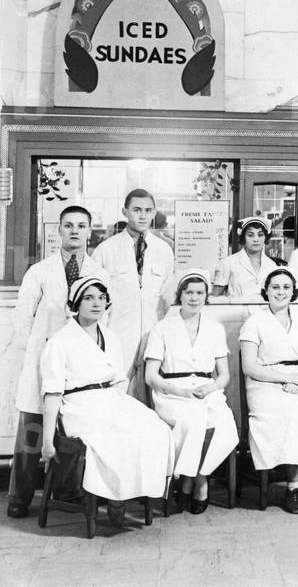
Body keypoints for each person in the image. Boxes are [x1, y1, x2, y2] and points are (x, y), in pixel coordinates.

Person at [38, 277, 174, 527]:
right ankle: (114, 498)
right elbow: (52, 394)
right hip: (78, 407)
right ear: (75, 304)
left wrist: (122, 407)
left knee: (154, 427)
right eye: (89, 298)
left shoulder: (110, 337)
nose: (97, 303)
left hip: (109, 399)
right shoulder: (59, 342)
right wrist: (47, 442)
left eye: (101, 298)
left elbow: (119, 380)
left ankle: (127, 493)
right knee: (119, 434)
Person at [7, 205, 110, 519]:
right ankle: (20, 496)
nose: (74, 231)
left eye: (81, 225)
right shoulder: (40, 272)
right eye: (68, 225)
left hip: (79, 366)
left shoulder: (99, 273)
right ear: (59, 230)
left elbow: (103, 321)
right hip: (43, 360)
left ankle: (66, 491)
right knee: (33, 429)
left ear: (89, 231)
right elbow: (22, 320)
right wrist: (40, 355)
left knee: (70, 428)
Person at [239, 268, 298, 514]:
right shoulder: (254, 322)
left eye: (286, 287)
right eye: (275, 287)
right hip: (265, 383)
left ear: (294, 291)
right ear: (266, 291)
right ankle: (293, 485)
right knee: (293, 416)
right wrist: (286, 379)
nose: (281, 292)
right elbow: (249, 367)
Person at [144, 270, 239, 513]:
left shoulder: (215, 328)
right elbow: (150, 376)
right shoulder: (162, 329)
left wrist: (211, 387)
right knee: (193, 420)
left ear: (206, 296)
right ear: (180, 295)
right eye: (189, 293)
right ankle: (200, 481)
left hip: (207, 392)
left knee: (223, 420)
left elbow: (224, 375)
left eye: (199, 293)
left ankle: (191, 478)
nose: (194, 298)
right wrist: (179, 391)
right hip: (171, 394)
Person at [91, 188, 175, 389]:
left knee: (151, 392)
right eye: (137, 210)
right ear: (125, 212)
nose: (143, 216)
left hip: (153, 333)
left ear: (154, 213)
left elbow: (167, 298)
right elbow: (94, 298)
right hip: (117, 333)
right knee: (117, 388)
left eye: (148, 210)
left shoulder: (164, 250)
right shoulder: (106, 250)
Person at [212, 217, 278, 297]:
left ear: (265, 238)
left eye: (260, 235)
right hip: (236, 305)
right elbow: (215, 296)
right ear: (243, 237)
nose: (256, 239)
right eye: (250, 235)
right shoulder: (229, 263)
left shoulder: (271, 265)